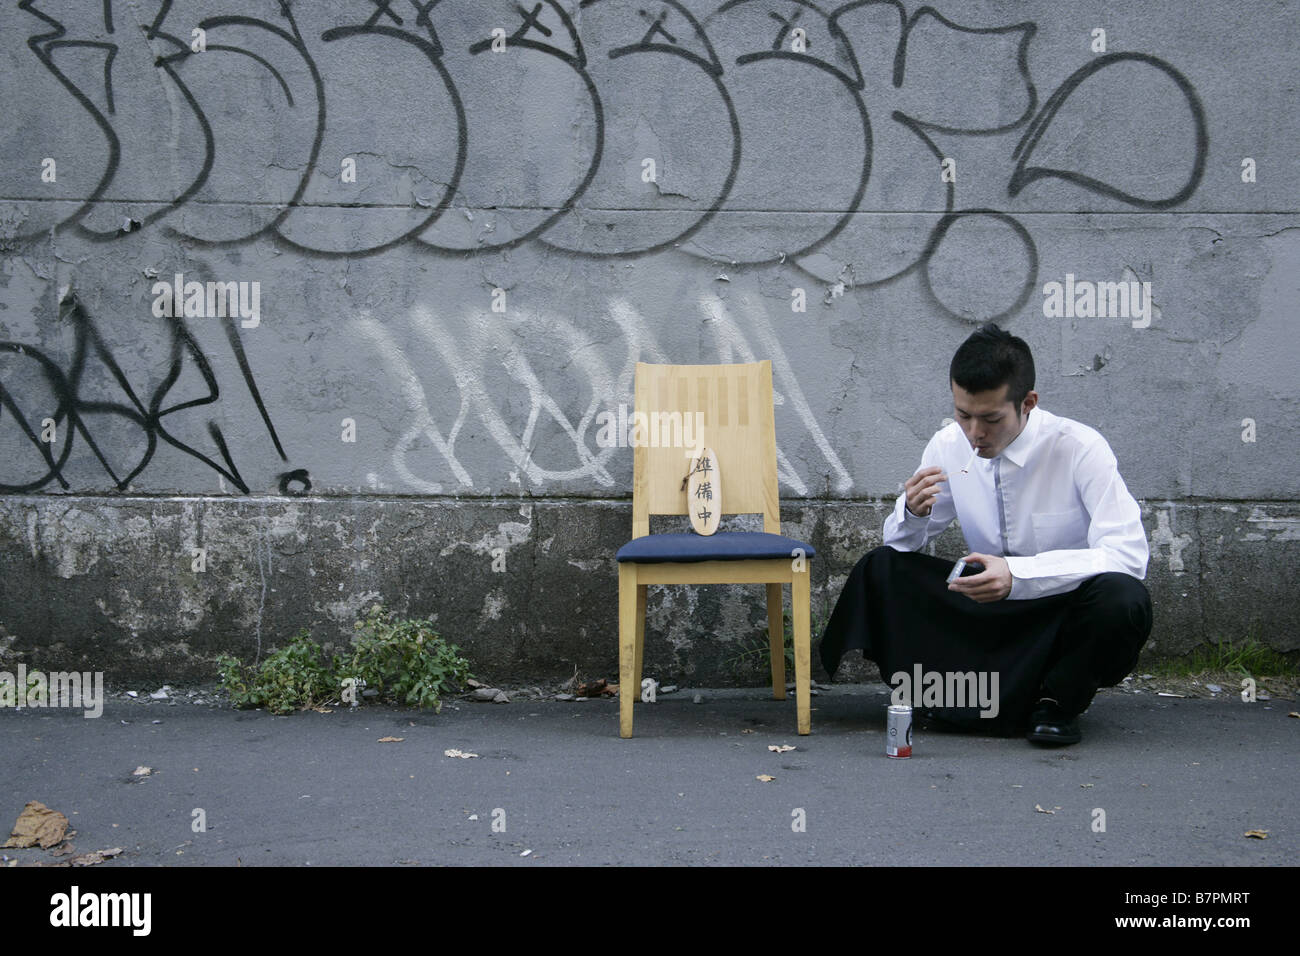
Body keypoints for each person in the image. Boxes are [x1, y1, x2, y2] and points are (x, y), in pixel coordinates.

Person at [819, 323, 1153, 745]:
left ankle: (1056, 703)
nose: (975, 432)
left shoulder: (1079, 449)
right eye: (963, 415)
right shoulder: (953, 449)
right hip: (983, 611)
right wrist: (913, 512)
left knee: (1123, 598)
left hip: (1056, 614)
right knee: (882, 567)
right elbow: (902, 545)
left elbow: (1127, 557)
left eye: (991, 418)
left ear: (1028, 403)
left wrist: (1018, 575)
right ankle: (947, 695)